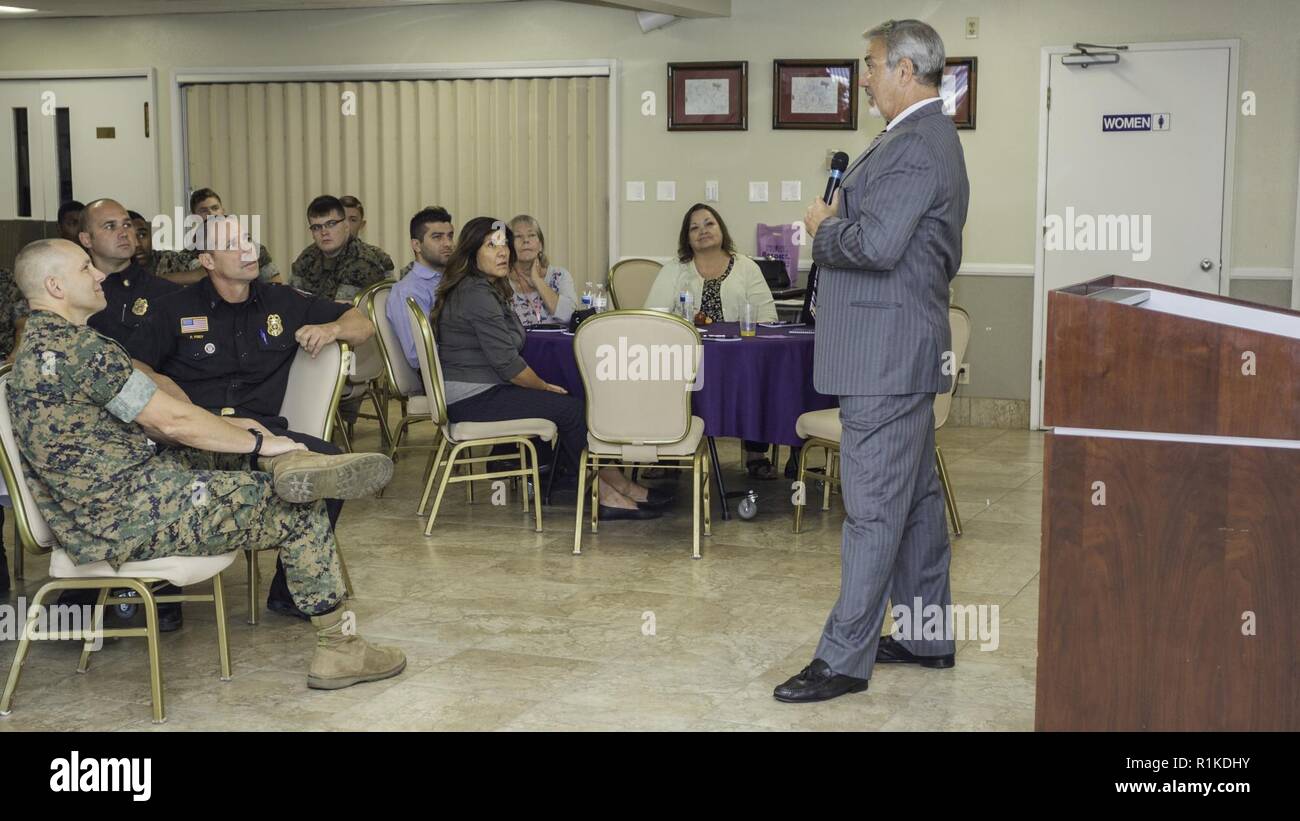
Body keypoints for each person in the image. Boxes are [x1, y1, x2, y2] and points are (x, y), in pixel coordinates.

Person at [7, 238, 404, 689]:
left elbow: (160, 425)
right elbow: (170, 421)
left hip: (103, 505)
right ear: (56, 286)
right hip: (126, 515)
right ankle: (341, 651)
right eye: (85, 269)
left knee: (228, 447)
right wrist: (256, 443)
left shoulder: (41, 347)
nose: (99, 275)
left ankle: (292, 463)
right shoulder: (81, 352)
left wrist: (241, 435)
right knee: (300, 509)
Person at [774, 18, 969, 703]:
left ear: (907, 71)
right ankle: (924, 633)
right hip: (897, 352)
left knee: (872, 512)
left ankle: (841, 659)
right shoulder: (916, 137)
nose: (863, 77)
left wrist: (825, 231)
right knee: (913, 503)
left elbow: (880, 245)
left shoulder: (918, 143)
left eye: (871, 64)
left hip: (884, 358)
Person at [128, 214, 381, 621]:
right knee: (161, 476)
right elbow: (136, 366)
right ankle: (161, 595)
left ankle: (290, 593)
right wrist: (176, 401)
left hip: (262, 434)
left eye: (248, 239)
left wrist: (333, 329)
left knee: (329, 466)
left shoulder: (283, 301)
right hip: (196, 434)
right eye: (233, 244)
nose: (248, 250)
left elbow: (362, 324)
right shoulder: (171, 309)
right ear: (207, 260)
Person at [432, 217, 670, 519]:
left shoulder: (484, 288)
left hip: (477, 390)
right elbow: (509, 365)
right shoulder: (477, 294)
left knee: (573, 401)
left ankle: (617, 485)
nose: (503, 252)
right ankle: (606, 494)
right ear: (471, 253)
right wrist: (544, 387)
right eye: (492, 246)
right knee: (570, 410)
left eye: (504, 244)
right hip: (472, 398)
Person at [646, 204, 781, 478]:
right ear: (687, 238)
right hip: (686, 356)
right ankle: (668, 456)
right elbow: (652, 316)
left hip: (738, 356)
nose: (702, 231)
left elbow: (768, 317)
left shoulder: (746, 267)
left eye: (709, 224)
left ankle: (756, 453)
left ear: (721, 229)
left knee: (756, 375)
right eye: (694, 228)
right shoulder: (674, 269)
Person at [78, 198, 182, 346]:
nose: (123, 233)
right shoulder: (74, 293)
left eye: (127, 225)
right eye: (110, 226)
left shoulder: (166, 294)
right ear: (86, 239)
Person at [154, 188, 280, 284]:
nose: (211, 213)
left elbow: (276, 286)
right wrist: (198, 274)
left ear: (223, 211)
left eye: (215, 208)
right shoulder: (183, 258)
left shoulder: (254, 249)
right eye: (204, 210)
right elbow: (160, 284)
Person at [386, 206, 454, 371]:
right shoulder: (407, 291)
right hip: (444, 378)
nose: (448, 244)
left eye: (450, 236)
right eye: (437, 237)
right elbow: (418, 356)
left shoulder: (454, 279)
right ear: (416, 245)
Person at [291, 195, 392, 301]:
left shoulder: (362, 260)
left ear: (346, 226)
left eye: (331, 224)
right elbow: (291, 302)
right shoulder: (307, 258)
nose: (324, 232)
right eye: (316, 227)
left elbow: (341, 311)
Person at [505, 215, 579, 327]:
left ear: (540, 245)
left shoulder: (559, 276)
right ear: (508, 246)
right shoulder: (502, 281)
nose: (525, 240)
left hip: (556, 344)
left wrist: (537, 281)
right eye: (518, 236)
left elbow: (569, 316)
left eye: (531, 235)